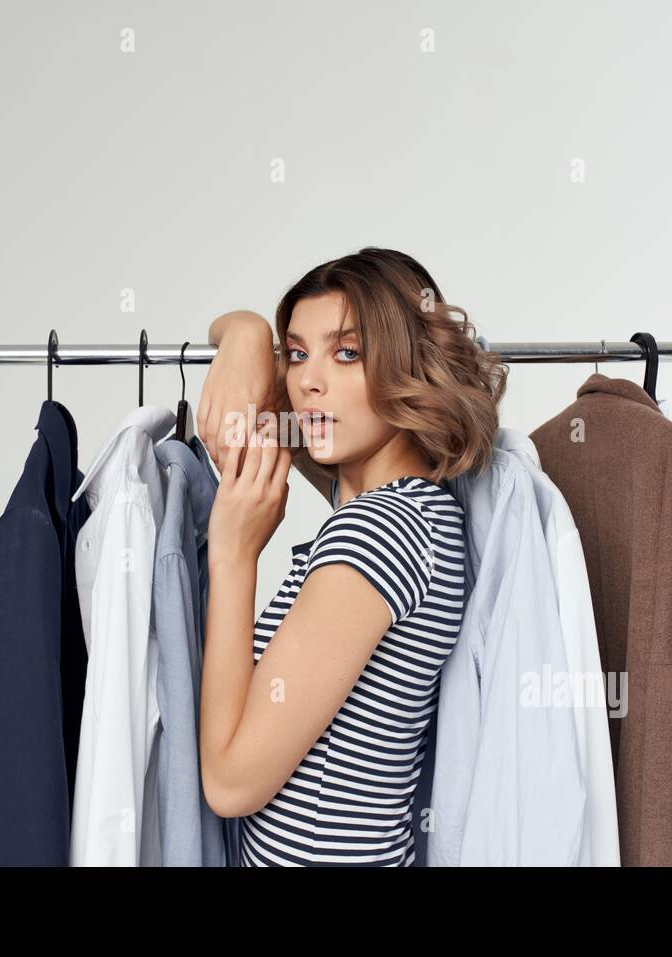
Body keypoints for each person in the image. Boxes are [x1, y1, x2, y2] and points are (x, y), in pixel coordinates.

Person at [196, 246, 507, 865]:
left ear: (405, 365)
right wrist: (248, 333)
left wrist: (232, 557)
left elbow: (230, 785)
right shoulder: (422, 507)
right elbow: (239, 356)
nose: (310, 379)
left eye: (347, 353)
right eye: (296, 353)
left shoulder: (376, 530)